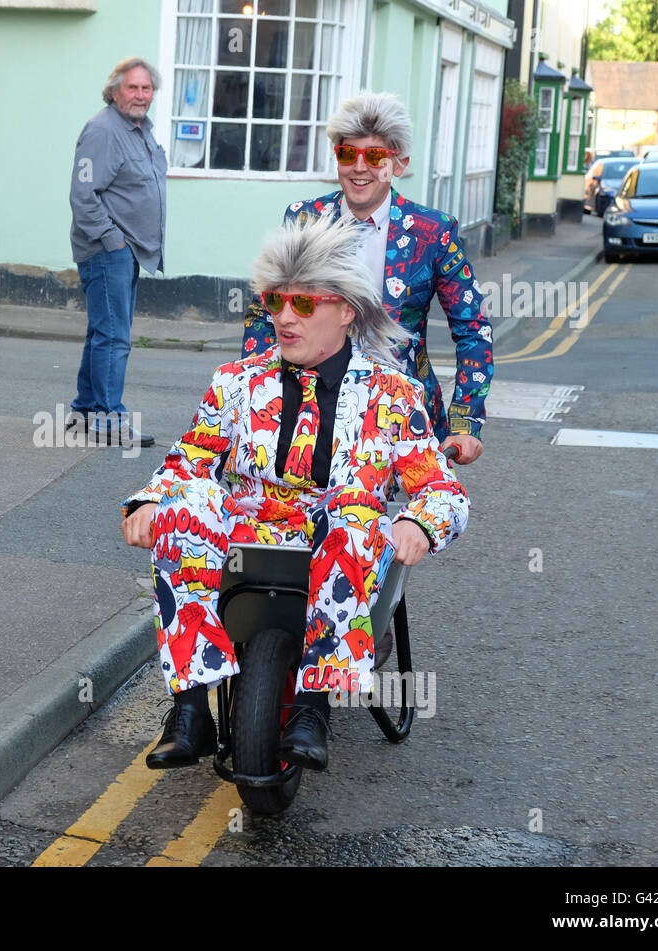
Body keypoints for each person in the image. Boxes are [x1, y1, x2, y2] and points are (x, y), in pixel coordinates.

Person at [122, 217, 468, 771]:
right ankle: (190, 711)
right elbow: (190, 459)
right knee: (183, 504)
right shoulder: (236, 383)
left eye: (304, 305)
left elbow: (442, 488)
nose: (283, 317)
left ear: (346, 310)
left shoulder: (393, 394)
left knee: (354, 511)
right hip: (249, 539)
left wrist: (419, 522)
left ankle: (312, 709)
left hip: (342, 542)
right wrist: (148, 503)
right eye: (276, 301)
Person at [240, 91, 492, 465]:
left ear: (399, 164)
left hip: (396, 411)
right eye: (348, 154)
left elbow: (473, 328)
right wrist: (256, 391)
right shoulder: (304, 218)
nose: (360, 168)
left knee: (386, 521)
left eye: (375, 156)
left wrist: (465, 421)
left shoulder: (432, 231)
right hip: (310, 404)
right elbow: (264, 313)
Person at [68, 57, 168, 448]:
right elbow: (82, 193)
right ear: (114, 91)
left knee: (102, 332)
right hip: (108, 249)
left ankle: (84, 412)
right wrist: (114, 240)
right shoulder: (102, 130)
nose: (141, 95)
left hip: (128, 249)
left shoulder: (140, 129)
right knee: (114, 337)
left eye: (147, 89)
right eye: (133, 88)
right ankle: (110, 422)